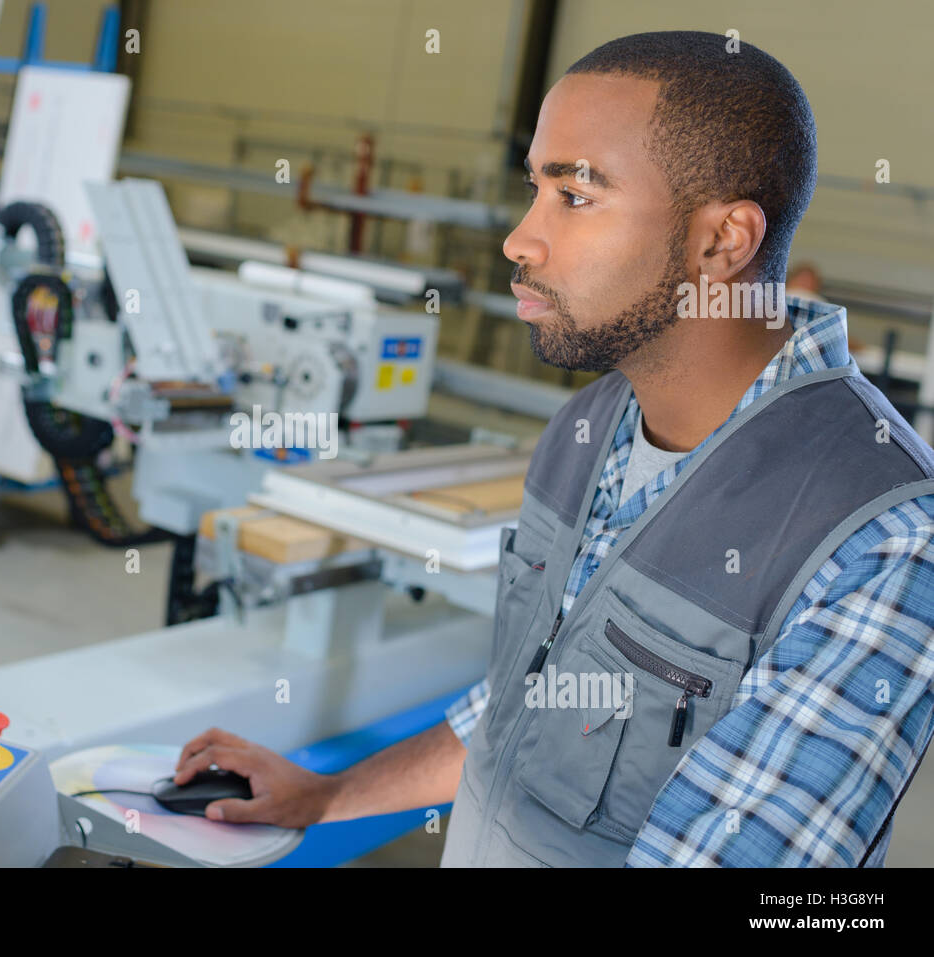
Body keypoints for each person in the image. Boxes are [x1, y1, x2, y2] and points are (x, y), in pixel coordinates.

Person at [174, 31, 934, 866]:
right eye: (534, 188)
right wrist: (331, 795)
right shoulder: (592, 424)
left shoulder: (880, 538)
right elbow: (533, 699)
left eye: (574, 197)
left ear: (723, 242)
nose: (520, 241)